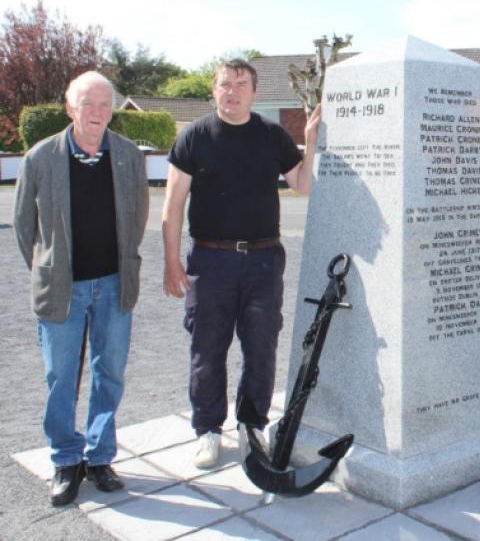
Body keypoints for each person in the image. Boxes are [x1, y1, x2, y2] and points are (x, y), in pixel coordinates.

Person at [162, 58, 320, 468]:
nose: (231, 91)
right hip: (209, 261)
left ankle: (251, 426)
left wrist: (310, 140)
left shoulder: (270, 135)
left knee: (261, 347)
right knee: (207, 348)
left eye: (240, 84)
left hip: (263, 261)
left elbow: (301, 185)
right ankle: (208, 430)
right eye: (224, 84)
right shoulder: (194, 137)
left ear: (254, 92)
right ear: (213, 90)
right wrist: (171, 261)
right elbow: (173, 204)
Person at [14, 71, 149, 505]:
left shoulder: (128, 155)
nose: (97, 113)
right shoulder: (40, 157)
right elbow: (23, 227)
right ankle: (66, 458)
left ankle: (100, 455)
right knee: (61, 377)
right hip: (62, 288)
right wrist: (47, 267)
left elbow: (138, 216)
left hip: (114, 284)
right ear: (70, 108)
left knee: (109, 374)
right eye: (87, 104)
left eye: (104, 105)